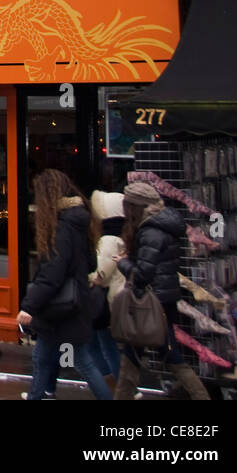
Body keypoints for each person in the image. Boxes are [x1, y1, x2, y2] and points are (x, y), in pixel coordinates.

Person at [16, 169, 112, 400]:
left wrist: (29, 306)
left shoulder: (61, 228)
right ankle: (38, 395)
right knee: (47, 356)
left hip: (60, 307)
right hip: (74, 302)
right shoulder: (80, 220)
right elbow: (90, 263)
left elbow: (51, 274)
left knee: (78, 361)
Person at [113, 181, 210, 400]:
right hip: (162, 301)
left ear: (135, 207)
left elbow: (143, 273)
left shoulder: (150, 232)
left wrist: (123, 263)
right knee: (139, 356)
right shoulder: (164, 225)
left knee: (162, 357)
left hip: (150, 305)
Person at [86, 190, 126, 390]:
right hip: (110, 300)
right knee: (103, 342)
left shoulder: (109, 240)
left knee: (101, 343)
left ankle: (115, 384)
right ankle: (114, 383)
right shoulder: (119, 237)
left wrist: (85, 275)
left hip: (105, 302)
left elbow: (100, 273)